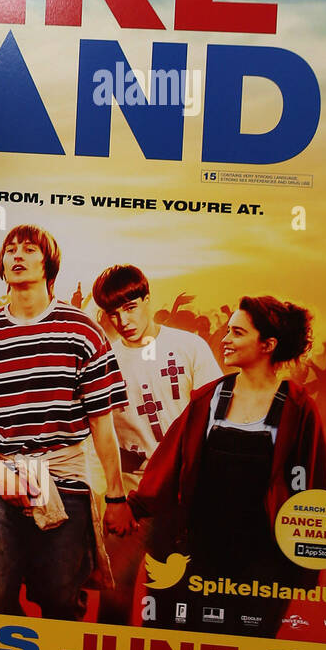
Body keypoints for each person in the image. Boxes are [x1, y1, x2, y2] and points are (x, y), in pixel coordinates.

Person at [0, 226, 129, 620]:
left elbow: (102, 421)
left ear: (49, 263)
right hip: (2, 478)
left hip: (66, 479)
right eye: (10, 249)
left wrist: (115, 495)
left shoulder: (81, 331)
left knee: (62, 598)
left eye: (29, 249)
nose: (17, 256)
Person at [130, 297, 326, 637]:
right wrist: (131, 508)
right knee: (174, 646)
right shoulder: (208, 398)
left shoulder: (298, 408)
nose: (226, 338)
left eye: (237, 332)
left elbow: (310, 488)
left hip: (262, 563)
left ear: (268, 345)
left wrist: (306, 563)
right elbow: (169, 465)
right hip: (194, 552)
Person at [90, 264, 220, 625]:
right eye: (114, 313)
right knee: (114, 602)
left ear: (148, 300)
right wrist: (114, 499)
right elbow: (99, 436)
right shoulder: (104, 361)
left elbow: (214, 420)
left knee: (175, 606)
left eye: (130, 308)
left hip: (184, 498)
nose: (124, 320)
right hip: (131, 498)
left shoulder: (189, 347)